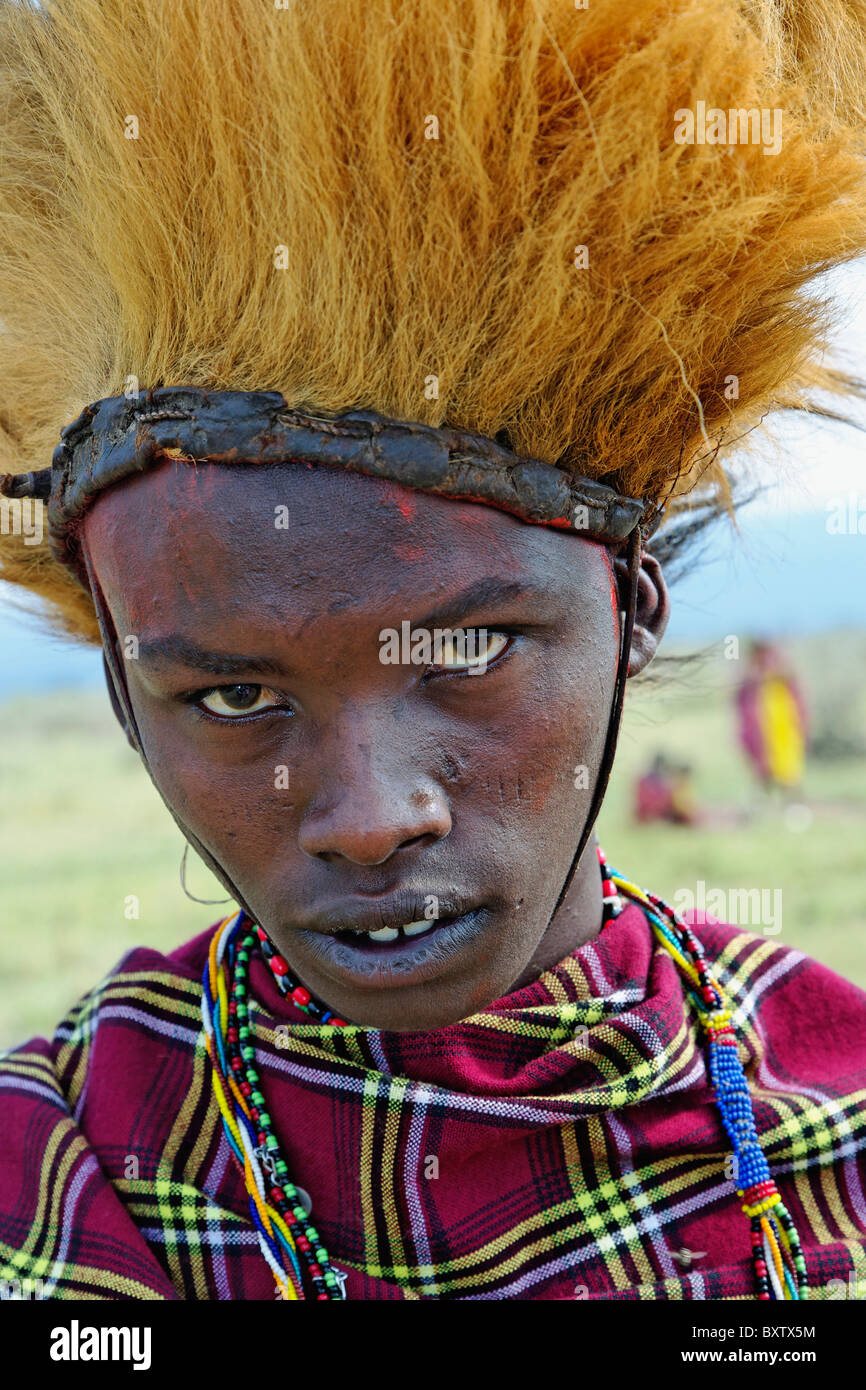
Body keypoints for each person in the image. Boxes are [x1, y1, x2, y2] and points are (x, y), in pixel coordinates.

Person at [1, 0, 865, 1302]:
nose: (365, 818)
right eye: (234, 694)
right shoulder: (68, 1160)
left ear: (629, 611)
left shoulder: (834, 1111)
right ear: (124, 694)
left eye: (465, 647)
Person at [735, 640, 810, 798]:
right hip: (760, 726)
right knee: (762, 768)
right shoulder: (751, 671)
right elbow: (741, 696)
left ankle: (791, 799)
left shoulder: (780, 665)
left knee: (787, 765)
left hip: (782, 724)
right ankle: (761, 800)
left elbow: (793, 681)